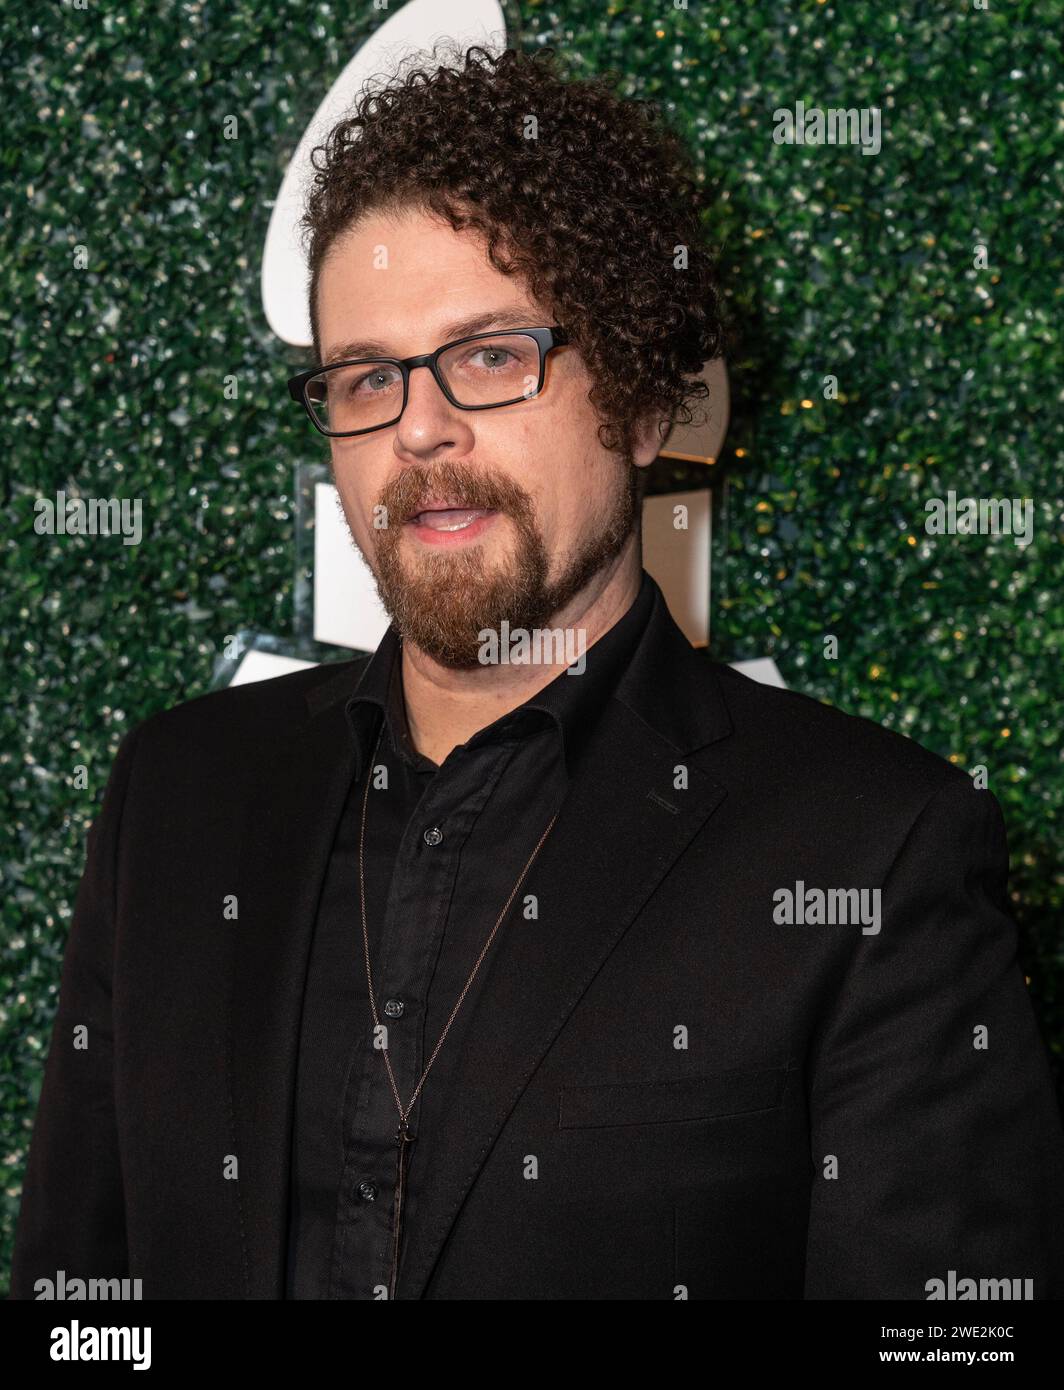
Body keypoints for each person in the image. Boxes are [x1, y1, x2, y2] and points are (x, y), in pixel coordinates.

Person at [11, 43, 1064, 1301]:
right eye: (365, 377)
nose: (417, 428)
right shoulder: (176, 795)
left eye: (493, 355)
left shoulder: (869, 851)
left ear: (631, 395)